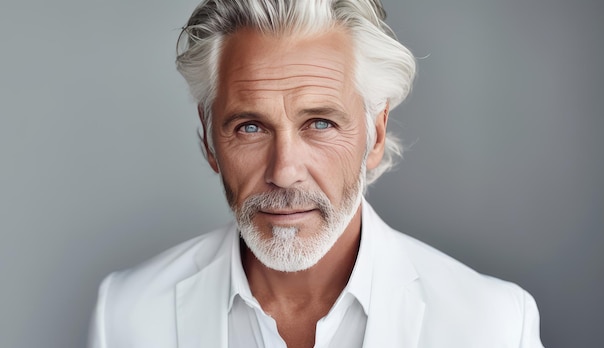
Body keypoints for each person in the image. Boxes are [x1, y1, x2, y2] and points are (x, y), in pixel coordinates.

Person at [88, 0, 544, 347]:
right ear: (209, 140)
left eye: (320, 123)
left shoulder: (494, 325)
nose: (284, 173)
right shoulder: (126, 314)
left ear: (376, 134)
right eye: (250, 127)